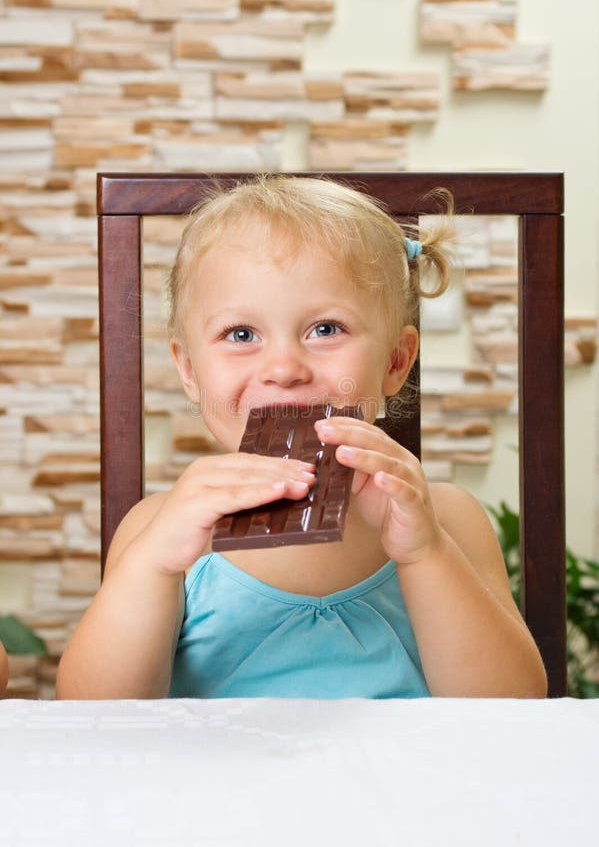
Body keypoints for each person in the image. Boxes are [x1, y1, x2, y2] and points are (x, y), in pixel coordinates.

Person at [56, 175, 547, 700]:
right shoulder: (158, 528)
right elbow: (92, 710)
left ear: (395, 361)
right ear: (190, 370)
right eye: (241, 334)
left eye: (326, 329)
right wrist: (155, 564)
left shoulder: (446, 518)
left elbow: (514, 707)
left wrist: (426, 552)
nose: (284, 368)